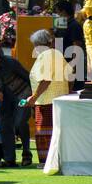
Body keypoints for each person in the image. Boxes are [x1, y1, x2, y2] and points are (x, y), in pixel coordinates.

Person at [0, 41, 33, 166]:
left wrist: (32, 97)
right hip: (6, 97)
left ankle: (27, 155)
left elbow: (28, 77)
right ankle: (9, 159)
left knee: (20, 122)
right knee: (4, 124)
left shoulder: (11, 62)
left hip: (22, 94)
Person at [24, 28, 69, 161]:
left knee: (44, 134)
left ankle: (46, 161)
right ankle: (55, 160)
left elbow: (45, 80)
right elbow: (70, 75)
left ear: (38, 45)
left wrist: (33, 98)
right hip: (60, 100)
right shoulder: (57, 54)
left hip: (46, 102)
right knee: (56, 133)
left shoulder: (45, 56)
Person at [56, 0, 86, 91]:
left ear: (64, 11)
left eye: (58, 12)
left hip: (72, 65)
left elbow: (77, 46)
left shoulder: (74, 26)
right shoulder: (61, 25)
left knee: (74, 91)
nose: (57, 15)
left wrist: (73, 65)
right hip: (63, 64)